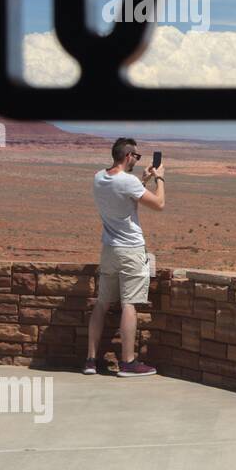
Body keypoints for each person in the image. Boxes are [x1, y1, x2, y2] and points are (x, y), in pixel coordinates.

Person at [85, 138, 165, 377]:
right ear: (129, 155)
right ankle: (128, 362)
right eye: (137, 156)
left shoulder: (99, 177)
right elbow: (159, 204)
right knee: (128, 303)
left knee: (102, 303)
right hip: (130, 249)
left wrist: (143, 180)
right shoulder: (128, 181)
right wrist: (160, 177)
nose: (137, 160)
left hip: (109, 249)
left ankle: (90, 360)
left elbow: (123, 193)